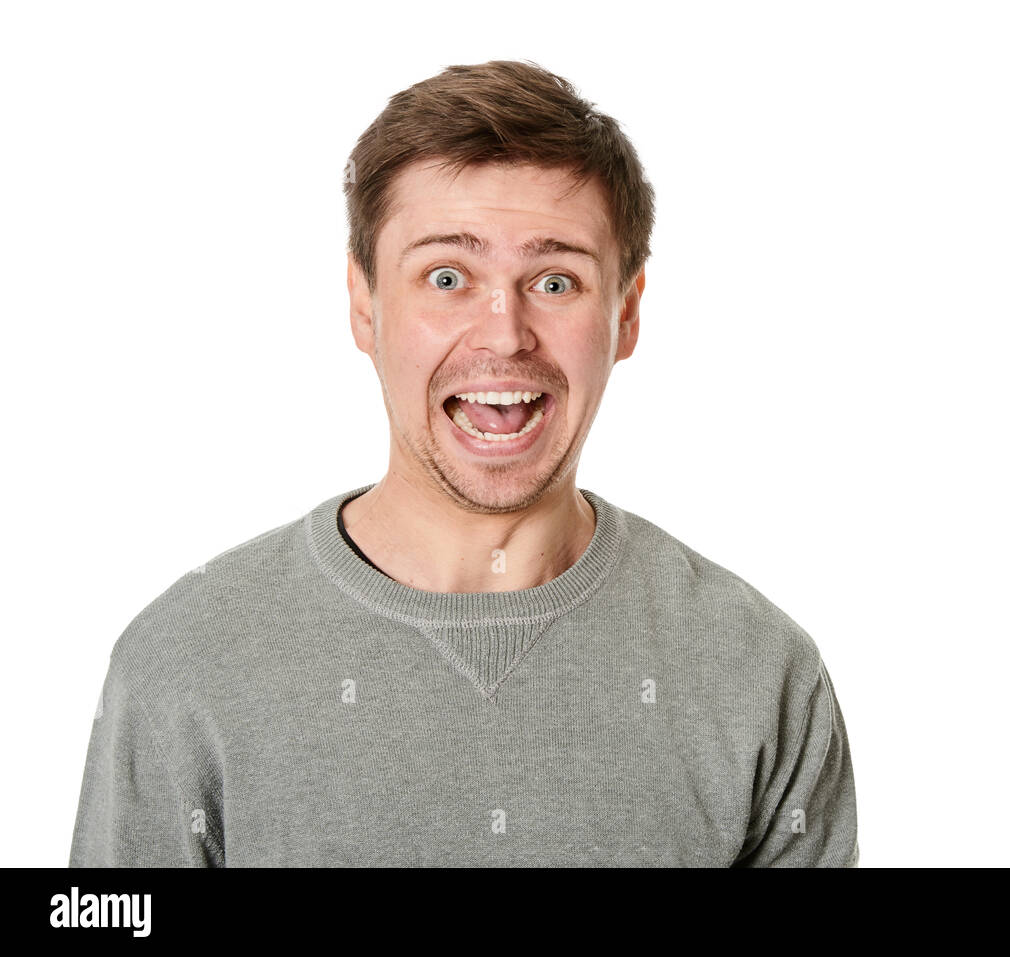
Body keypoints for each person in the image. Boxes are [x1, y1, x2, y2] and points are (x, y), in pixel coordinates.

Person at [69, 59, 859, 867]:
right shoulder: (183, 662)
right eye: (447, 276)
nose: (504, 333)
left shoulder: (762, 676)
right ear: (364, 304)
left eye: (556, 280)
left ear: (625, 314)